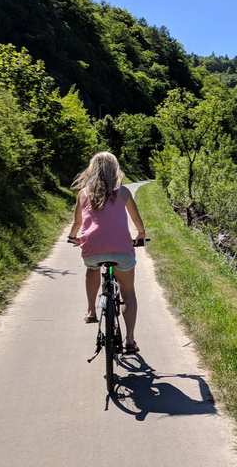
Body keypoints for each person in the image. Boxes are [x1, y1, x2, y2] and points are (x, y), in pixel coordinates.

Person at [67, 151, 146, 354]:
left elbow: (77, 223)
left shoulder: (83, 193)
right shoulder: (123, 192)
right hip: (122, 251)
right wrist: (141, 234)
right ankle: (129, 341)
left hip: (92, 249)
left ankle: (91, 311)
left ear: (92, 170)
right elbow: (136, 220)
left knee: (92, 269)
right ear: (115, 169)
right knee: (128, 293)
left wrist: (72, 236)